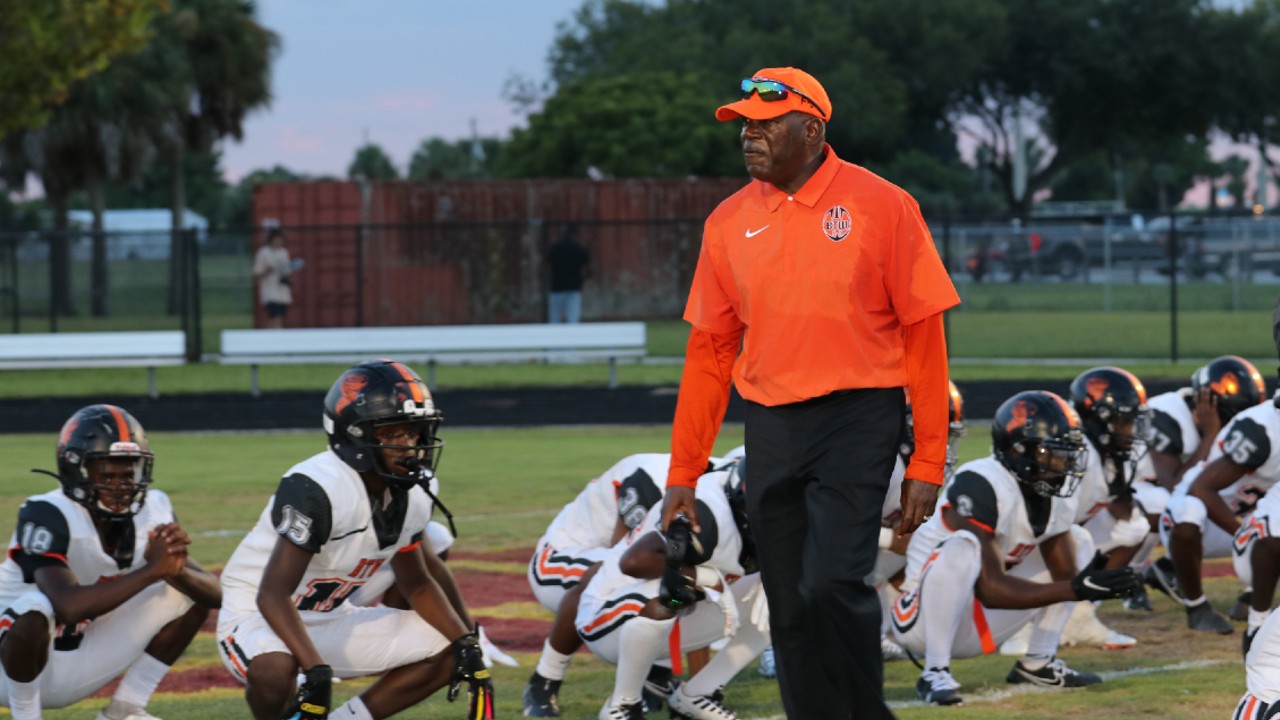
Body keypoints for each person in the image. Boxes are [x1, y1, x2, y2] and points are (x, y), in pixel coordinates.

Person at [661, 66, 960, 719]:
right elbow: (710, 353)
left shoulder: (884, 204)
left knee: (831, 583)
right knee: (790, 603)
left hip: (859, 418)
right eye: (744, 125)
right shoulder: (727, 220)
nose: (749, 136)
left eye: (765, 125)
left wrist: (928, 460)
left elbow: (924, 336)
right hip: (770, 425)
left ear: (812, 130)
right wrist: (684, 470)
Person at [216, 360, 494, 720]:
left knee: (451, 648)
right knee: (276, 669)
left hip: (329, 614)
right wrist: (315, 669)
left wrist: (467, 642)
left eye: (413, 432)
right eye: (391, 433)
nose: (408, 445)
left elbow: (417, 582)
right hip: (258, 617)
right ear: (354, 435)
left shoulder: (415, 489)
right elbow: (272, 594)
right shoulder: (317, 487)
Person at [891, 391, 1140, 705]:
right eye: (1052, 453)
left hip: (979, 620)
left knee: (1079, 540)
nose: (1062, 463)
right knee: (961, 547)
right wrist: (1078, 588)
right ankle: (935, 671)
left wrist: (1092, 580)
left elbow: (1064, 576)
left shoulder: (1055, 493)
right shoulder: (980, 482)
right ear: (1018, 450)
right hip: (921, 622)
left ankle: (1038, 661)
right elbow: (991, 589)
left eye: (1066, 454)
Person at [0, 404, 221, 720]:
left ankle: (125, 709)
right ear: (76, 471)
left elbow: (215, 594)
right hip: (8, 671)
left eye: (128, 474)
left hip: (78, 658)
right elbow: (66, 606)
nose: (120, 486)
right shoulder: (47, 512)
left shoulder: (154, 509)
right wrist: (153, 570)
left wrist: (176, 568)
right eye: (106, 475)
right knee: (34, 607)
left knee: (186, 589)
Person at [523, 452, 725, 717]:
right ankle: (545, 679)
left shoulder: (720, 485)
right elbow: (619, 563)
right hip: (561, 556)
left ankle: (663, 678)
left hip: (622, 555)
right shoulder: (652, 478)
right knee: (638, 576)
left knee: (691, 580)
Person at [578, 463, 768, 720]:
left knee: (784, 600)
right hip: (609, 615)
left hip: (680, 615)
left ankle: (697, 695)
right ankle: (622, 704)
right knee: (672, 595)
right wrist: (708, 577)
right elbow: (636, 561)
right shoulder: (707, 510)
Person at [1136, 356, 1266, 615]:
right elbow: (1175, 484)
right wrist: (1211, 434)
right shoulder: (1166, 414)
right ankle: (1133, 574)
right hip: (1134, 494)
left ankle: (1254, 592)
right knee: (1172, 503)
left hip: (1181, 493)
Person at [1160, 378, 1280, 645]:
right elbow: (1201, 489)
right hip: (1209, 518)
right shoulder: (1262, 429)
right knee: (1188, 512)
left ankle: (1251, 598)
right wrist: (1243, 533)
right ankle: (1197, 607)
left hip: (1250, 514)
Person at [253, 226, 302, 329]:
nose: (279, 242)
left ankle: (268, 337)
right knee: (276, 317)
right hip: (270, 290)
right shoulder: (264, 253)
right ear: (271, 240)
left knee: (278, 318)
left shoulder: (283, 252)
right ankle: (277, 336)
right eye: (276, 239)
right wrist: (268, 270)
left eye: (281, 239)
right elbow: (257, 273)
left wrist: (293, 268)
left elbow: (285, 270)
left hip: (283, 291)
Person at [546, 224, 590, 324]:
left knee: (555, 319)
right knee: (573, 319)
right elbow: (588, 269)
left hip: (557, 287)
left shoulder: (555, 248)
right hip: (573, 288)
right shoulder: (579, 249)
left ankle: (554, 334)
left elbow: (546, 264)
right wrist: (583, 278)